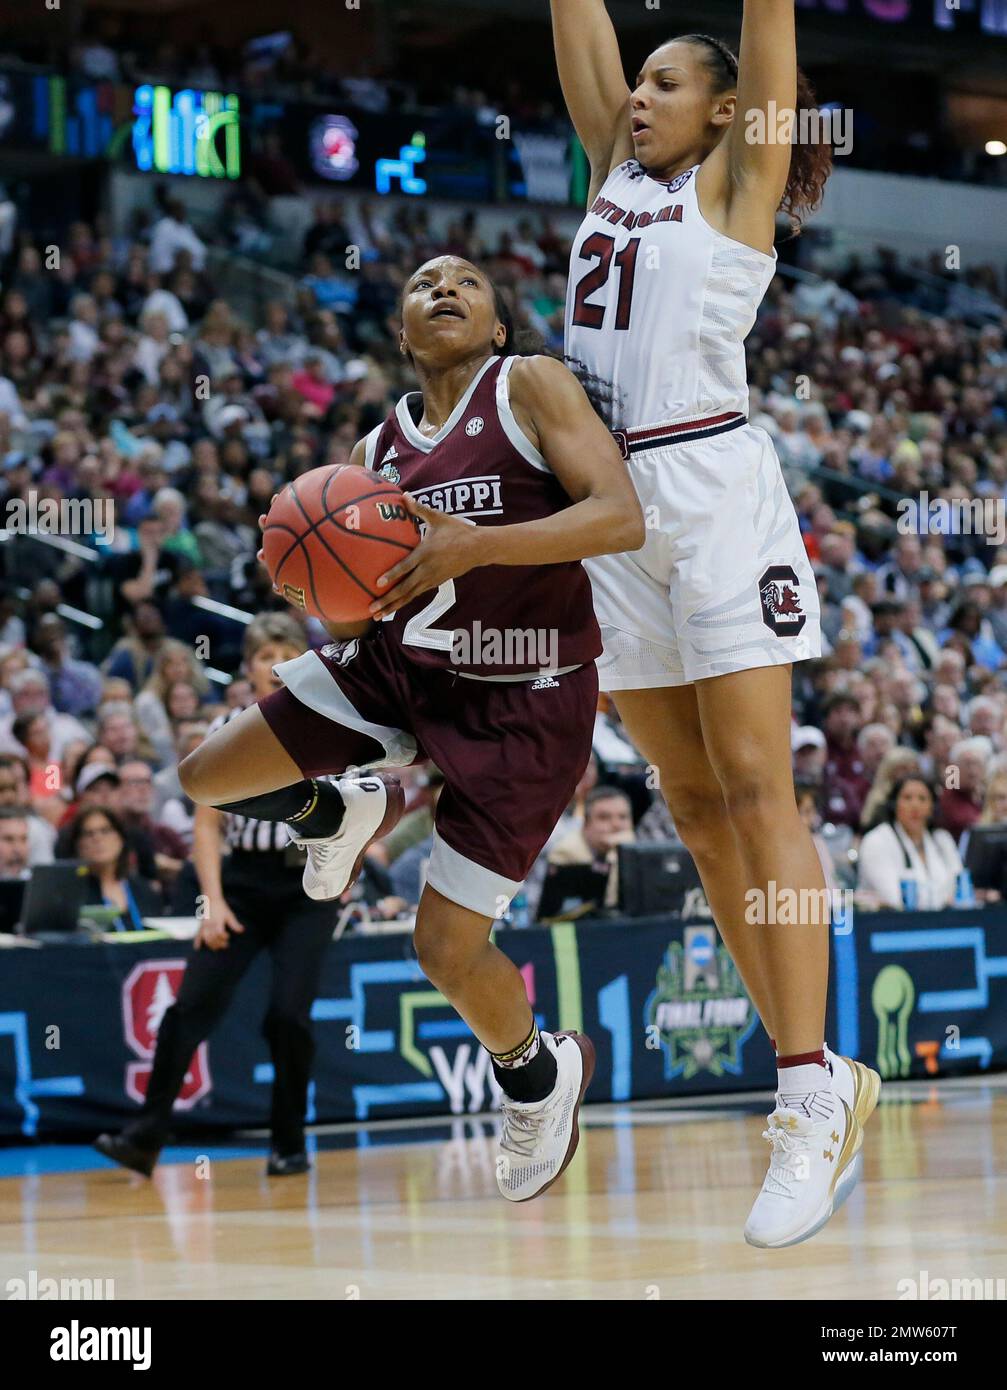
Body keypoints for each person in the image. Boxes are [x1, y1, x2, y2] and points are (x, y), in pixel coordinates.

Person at [175, 254, 642, 1204]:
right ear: (398, 333)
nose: (445, 290)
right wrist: (317, 579)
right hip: (399, 674)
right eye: (424, 284)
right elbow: (352, 616)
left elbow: (618, 517)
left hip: (526, 698)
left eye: (468, 283)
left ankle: (536, 1076)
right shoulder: (374, 453)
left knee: (441, 950)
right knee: (205, 773)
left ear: (499, 325)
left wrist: (477, 544)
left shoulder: (530, 385)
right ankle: (335, 810)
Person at [549, 0, 878, 1248]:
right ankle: (822, 1076)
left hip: (711, 493)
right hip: (610, 510)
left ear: (726, 113)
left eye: (666, 83)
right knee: (689, 811)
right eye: (635, 81)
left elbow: (766, 26)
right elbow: (572, 22)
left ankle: (803, 1086)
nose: (637, 98)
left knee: (753, 791)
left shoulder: (737, 186)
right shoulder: (608, 171)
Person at [95, 615, 348, 1179]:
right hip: (241, 883)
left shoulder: (336, 726)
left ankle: (288, 1143)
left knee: (288, 1015)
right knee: (189, 1009)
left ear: (304, 662)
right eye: (265, 657)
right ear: (250, 668)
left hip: (309, 882)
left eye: (287, 653)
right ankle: (145, 1136)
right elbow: (207, 827)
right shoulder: (230, 729)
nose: (277, 666)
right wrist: (212, 902)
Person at [857, 775, 963, 911]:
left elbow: (961, 888)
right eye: (907, 798)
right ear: (894, 804)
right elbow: (895, 899)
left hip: (944, 922)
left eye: (922, 799)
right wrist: (943, 899)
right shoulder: (876, 840)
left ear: (932, 807)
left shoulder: (942, 839)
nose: (915, 805)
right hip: (890, 926)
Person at [67, 806, 163, 929]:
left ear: (120, 839)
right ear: (78, 845)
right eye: (88, 834)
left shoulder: (144, 890)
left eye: (105, 830)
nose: (97, 838)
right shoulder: (71, 896)